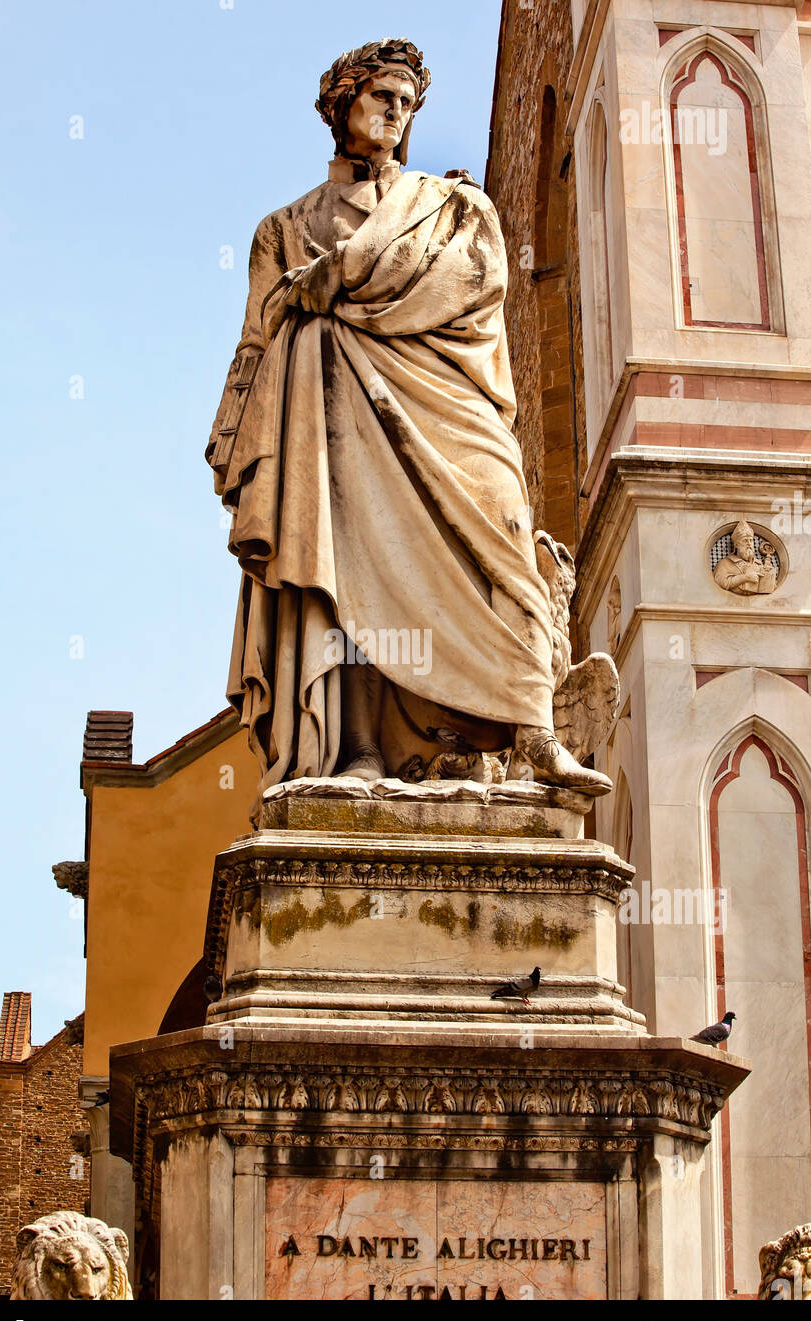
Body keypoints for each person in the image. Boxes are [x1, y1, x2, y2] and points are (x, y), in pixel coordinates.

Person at [206, 38, 611, 802]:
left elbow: (473, 286)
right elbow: (261, 335)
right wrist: (240, 437)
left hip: (449, 404)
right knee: (341, 560)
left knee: (504, 534)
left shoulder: (450, 208)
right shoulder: (283, 228)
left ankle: (530, 728)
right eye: (379, 96)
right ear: (341, 106)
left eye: (406, 102)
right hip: (332, 414)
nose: (395, 112)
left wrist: (340, 278)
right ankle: (358, 748)